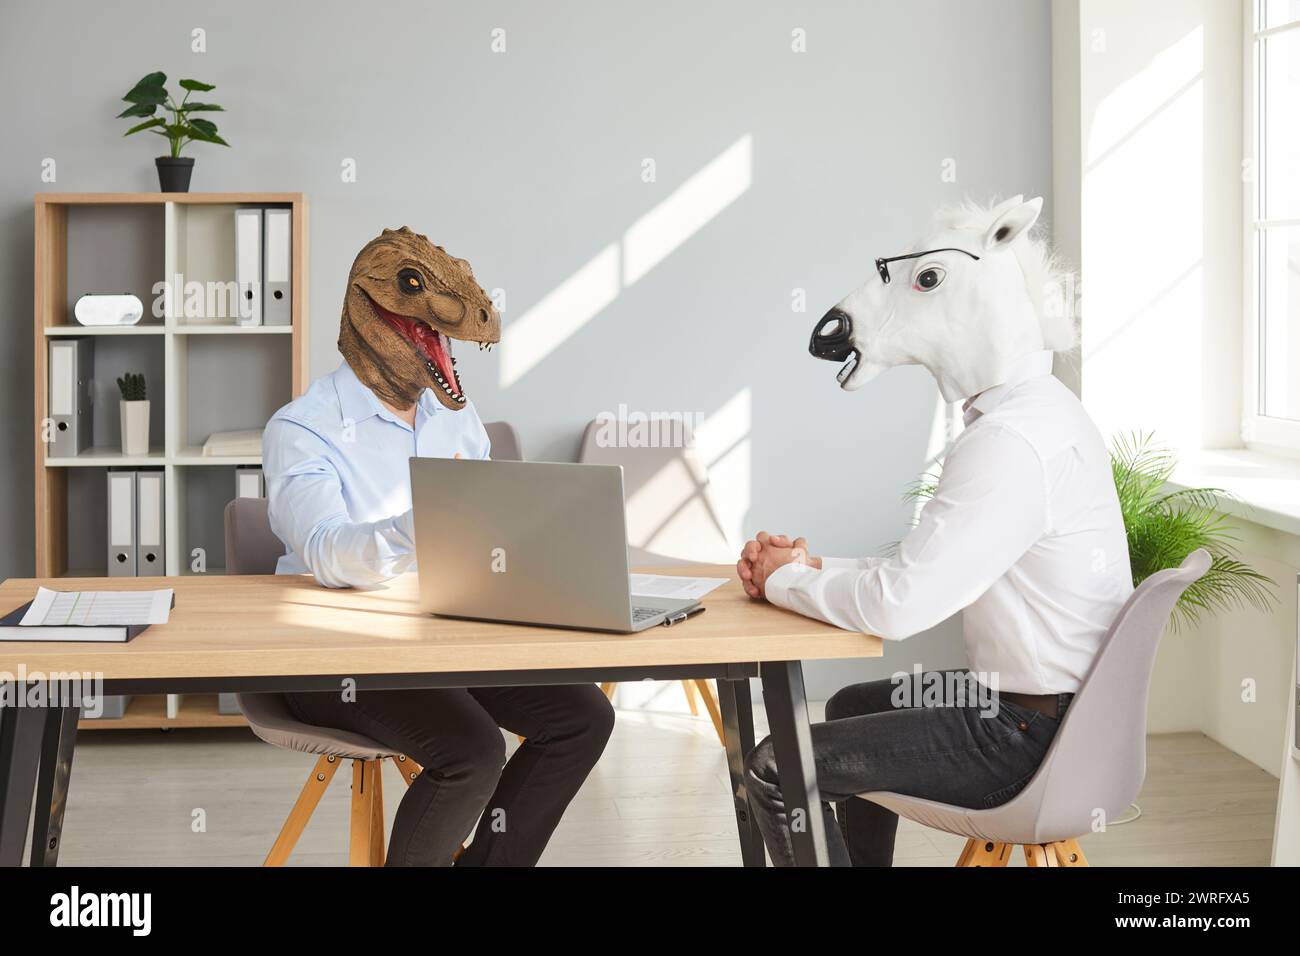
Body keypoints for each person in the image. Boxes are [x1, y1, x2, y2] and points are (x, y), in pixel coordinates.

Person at [735, 197, 1133, 866]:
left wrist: (786, 582)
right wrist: (812, 568)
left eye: (927, 283)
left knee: (780, 767)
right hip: (1050, 714)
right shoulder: (1044, 413)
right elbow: (925, 568)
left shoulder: (1011, 442)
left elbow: (901, 604)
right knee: (854, 703)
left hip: (1026, 735)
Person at [264, 227, 613, 866]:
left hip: (448, 634)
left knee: (583, 717)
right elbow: (323, 550)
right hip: (334, 655)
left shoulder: (454, 414)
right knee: (473, 752)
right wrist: (421, 525)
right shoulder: (300, 428)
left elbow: (491, 528)